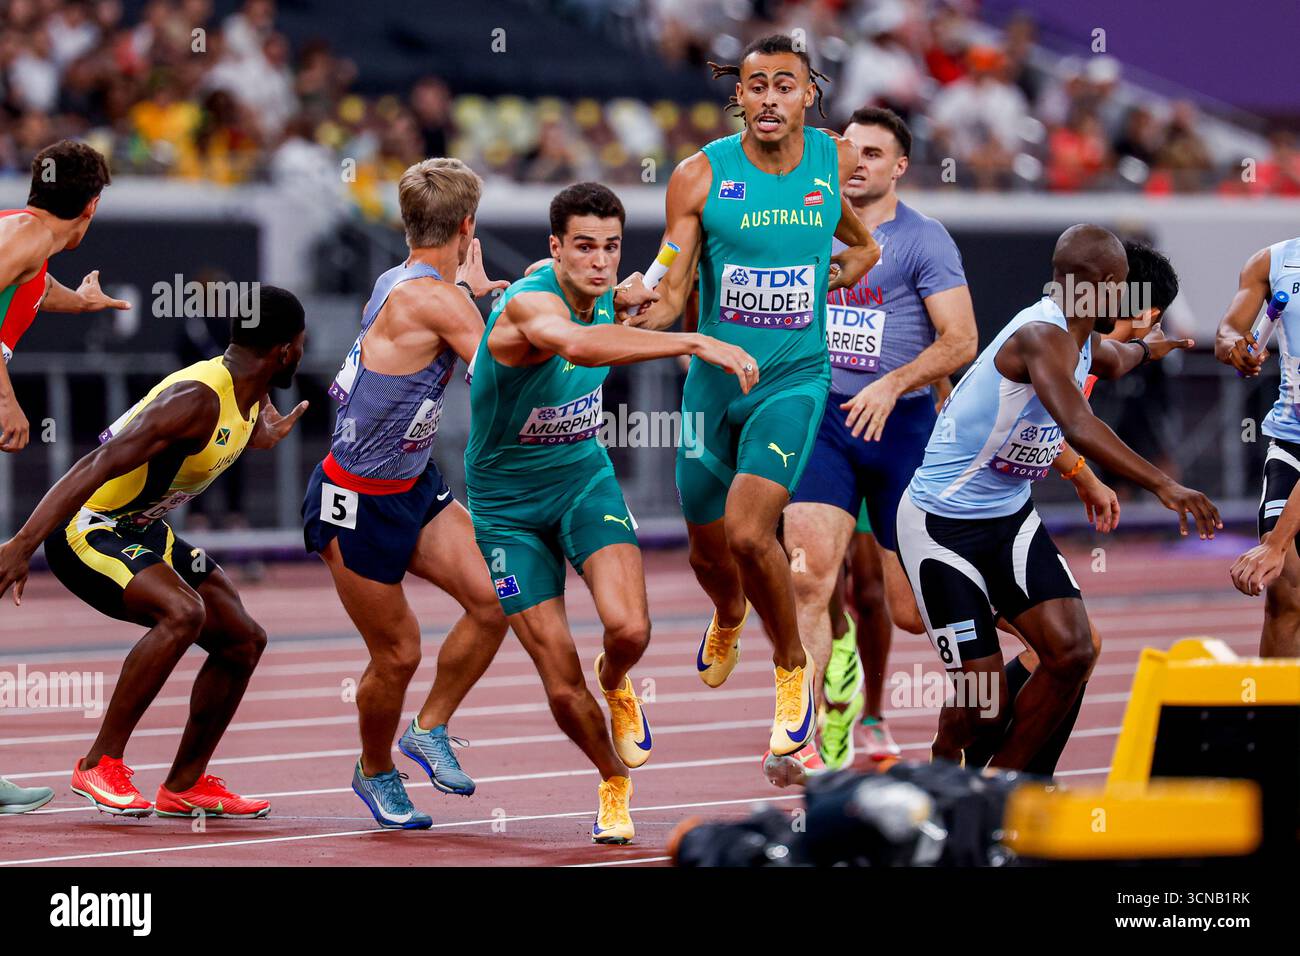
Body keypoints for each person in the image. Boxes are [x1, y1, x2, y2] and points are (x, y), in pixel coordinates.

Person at [466, 181, 756, 844]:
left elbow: (610, 305)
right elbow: (577, 345)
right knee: (560, 679)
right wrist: (692, 343)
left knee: (629, 630)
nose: (599, 261)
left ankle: (617, 679)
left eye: (611, 247)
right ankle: (612, 780)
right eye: (584, 247)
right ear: (555, 248)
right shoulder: (531, 304)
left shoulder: (605, 292)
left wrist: (622, 299)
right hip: (507, 510)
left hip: (581, 481)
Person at [627, 34, 879, 770]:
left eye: (784, 85)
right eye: (756, 85)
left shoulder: (833, 159)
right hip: (714, 385)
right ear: (738, 95)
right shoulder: (699, 175)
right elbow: (671, 286)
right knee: (708, 552)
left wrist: (845, 269)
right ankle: (728, 612)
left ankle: (791, 669)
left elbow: (860, 240)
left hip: (793, 379)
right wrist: (632, 307)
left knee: (747, 533)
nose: (769, 98)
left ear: (808, 95)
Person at [897, 224, 1219, 770]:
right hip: (942, 528)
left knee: (1073, 651)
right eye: (1123, 284)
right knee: (985, 704)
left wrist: (1148, 348)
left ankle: (1008, 785)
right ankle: (944, 760)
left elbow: (1113, 359)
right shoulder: (1040, 336)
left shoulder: (1081, 335)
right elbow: (1079, 424)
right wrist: (1165, 484)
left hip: (1009, 519)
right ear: (1105, 287)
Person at [0, 286, 309, 816]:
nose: (302, 353)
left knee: (242, 640)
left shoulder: (251, 390)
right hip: (88, 526)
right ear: (285, 351)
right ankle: (98, 763)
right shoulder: (195, 401)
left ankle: (184, 784)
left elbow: (238, 425)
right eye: (300, 344)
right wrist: (22, 545)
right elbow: (94, 464)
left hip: (142, 527)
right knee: (183, 613)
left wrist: (258, 434)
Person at [302, 157, 511, 830]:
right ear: (469, 225)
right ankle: (374, 769)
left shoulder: (398, 279)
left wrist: (470, 293)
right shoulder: (438, 300)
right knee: (398, 653)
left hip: (413, 485)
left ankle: (429, 728)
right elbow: (501, 375)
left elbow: (444, 318)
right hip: (353, 500)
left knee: (495, 597)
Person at [781, 107, 976, 772]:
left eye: (873, 153)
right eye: (849, 150)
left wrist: (893, 385)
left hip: (900, 429)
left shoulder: (924, 240)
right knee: (809, 581)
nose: (857, 163)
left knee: (908, 609)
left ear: (899, 167)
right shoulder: (805, 225)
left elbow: (961, 339)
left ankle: (1019, 635)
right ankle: (802, 735)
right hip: (824, 423)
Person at [0, 138, 129, 453]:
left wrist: (80, 301)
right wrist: (7, 401)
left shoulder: (25, 237)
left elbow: (34, 287)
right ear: (91, 206)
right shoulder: (28, 237)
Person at [1215, 234, 1300, 655]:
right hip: (1291, 440)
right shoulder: (1272, 261)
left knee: (1276, 553)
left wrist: (1276, 543)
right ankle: (1274, 699)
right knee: (1286, 594)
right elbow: (1227, 332)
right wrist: (1236, 346)